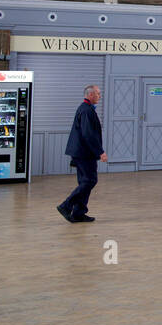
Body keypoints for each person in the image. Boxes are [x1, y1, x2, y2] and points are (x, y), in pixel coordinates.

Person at [57, 84, 106, 223]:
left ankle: (78, 213)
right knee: (90, 180)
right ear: (90, 95)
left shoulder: (86, 109)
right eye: (98, 93)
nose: (99, 96)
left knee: (84, 182)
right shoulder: (86, 111)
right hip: (84, 153)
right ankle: (66, 205)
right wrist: (100, 152)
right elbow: (88, 134)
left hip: (82, 152)